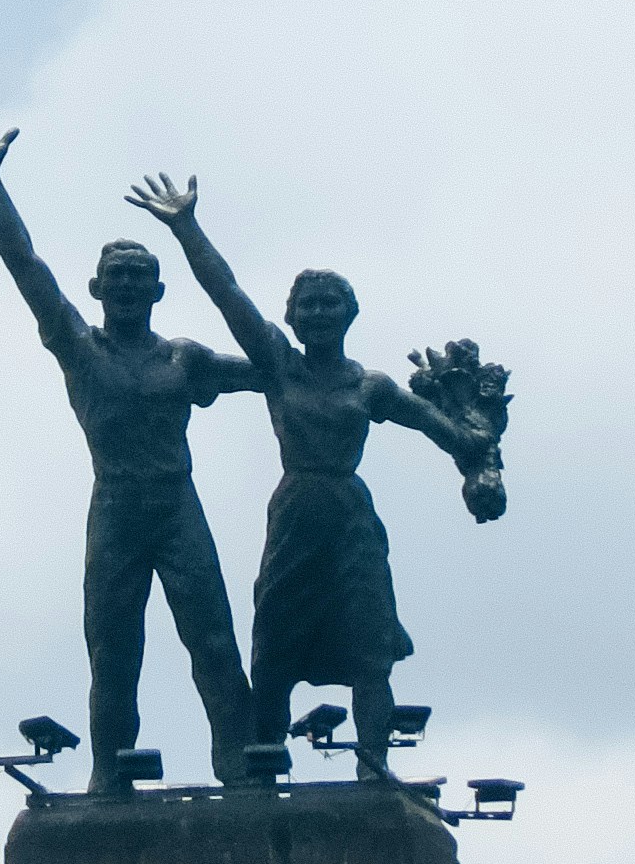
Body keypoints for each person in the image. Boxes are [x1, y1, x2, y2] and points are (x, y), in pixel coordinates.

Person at [0, 106, 265, 791]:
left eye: (140, 279)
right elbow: (24, 265)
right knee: (114, 656)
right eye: (116, 279)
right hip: (115, 508)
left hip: (177, 505)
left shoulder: (184, 358)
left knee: (214, 644)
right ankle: (109, 777)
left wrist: (189, 229)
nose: (128, 287)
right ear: (97, 289)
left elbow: (275, 371)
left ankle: (242, 770)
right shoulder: (80, 349)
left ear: (159, 289)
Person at [125, 172, 496, 783]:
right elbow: (229, 296)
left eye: (331, 304)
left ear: (350, 314)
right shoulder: (278, 366)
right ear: (292, 318)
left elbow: (450, 436)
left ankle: (374, 767)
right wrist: (186, 227)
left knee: (370, 652)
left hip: (350, 520)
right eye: (308, 305)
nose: (319, 313)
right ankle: (264, 769)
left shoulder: (369, 386)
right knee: (273, 650)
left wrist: (476, 445)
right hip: (296, 515)